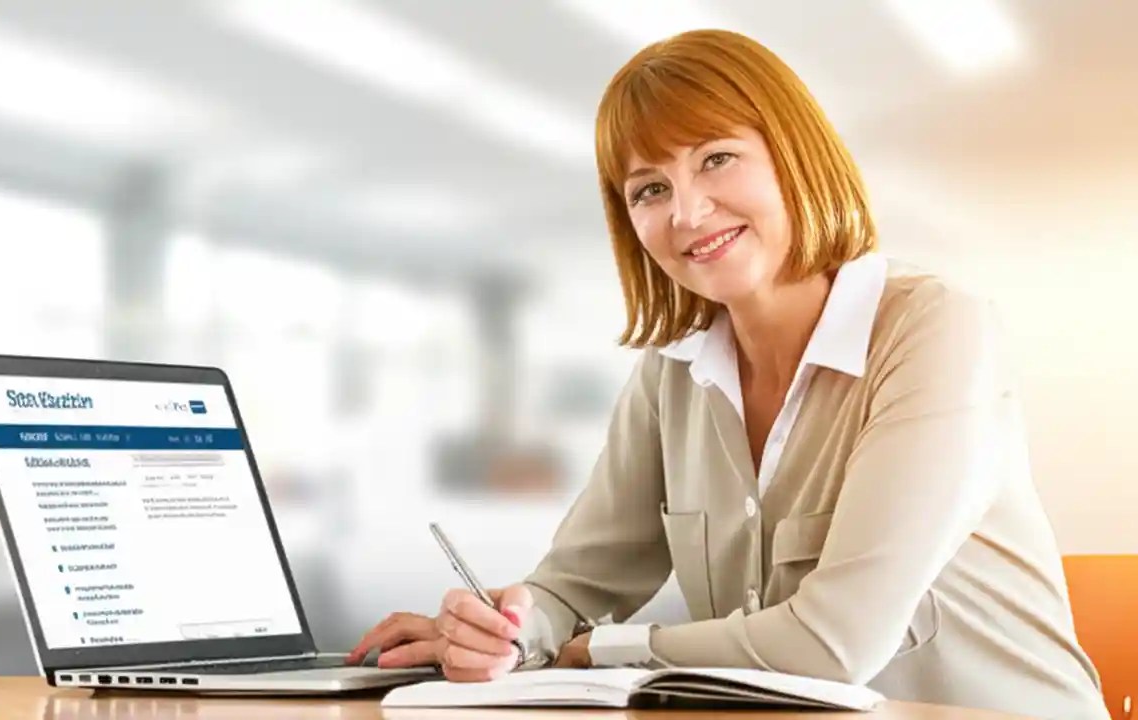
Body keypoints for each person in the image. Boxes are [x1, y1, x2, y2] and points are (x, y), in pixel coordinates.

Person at [345, 29, 1107, 719]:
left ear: (794, 156)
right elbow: (574, 586)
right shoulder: (672, 375)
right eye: (650, 189)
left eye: (716, 158)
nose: (687, 211)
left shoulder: (935, 330)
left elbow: (833, 646)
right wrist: (510, 632)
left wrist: (597, 649)